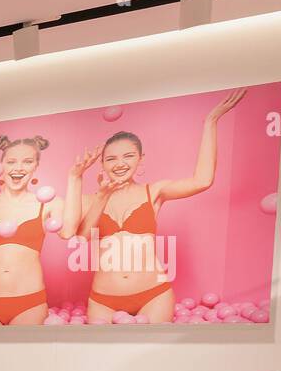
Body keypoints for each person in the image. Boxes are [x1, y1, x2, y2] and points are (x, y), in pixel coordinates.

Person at [79, 89, 246, 324]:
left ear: (140, 160)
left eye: (127, 156)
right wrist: (90, 188)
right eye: (111, 159)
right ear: (102, 164)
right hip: (103, 299)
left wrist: (210, 122)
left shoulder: (154, 192)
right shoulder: (91, 200)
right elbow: (77, 235)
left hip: (153, 295)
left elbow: (202, 181)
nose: (119, 164)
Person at [0, 136, 98, 326]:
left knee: (29, 355)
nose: (18, 168)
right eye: (11, 162)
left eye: (27, 161)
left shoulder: (48, 203)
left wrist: (75, 177)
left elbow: (67, 231)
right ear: (1, 166)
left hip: (29, 302)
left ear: (36, 167)